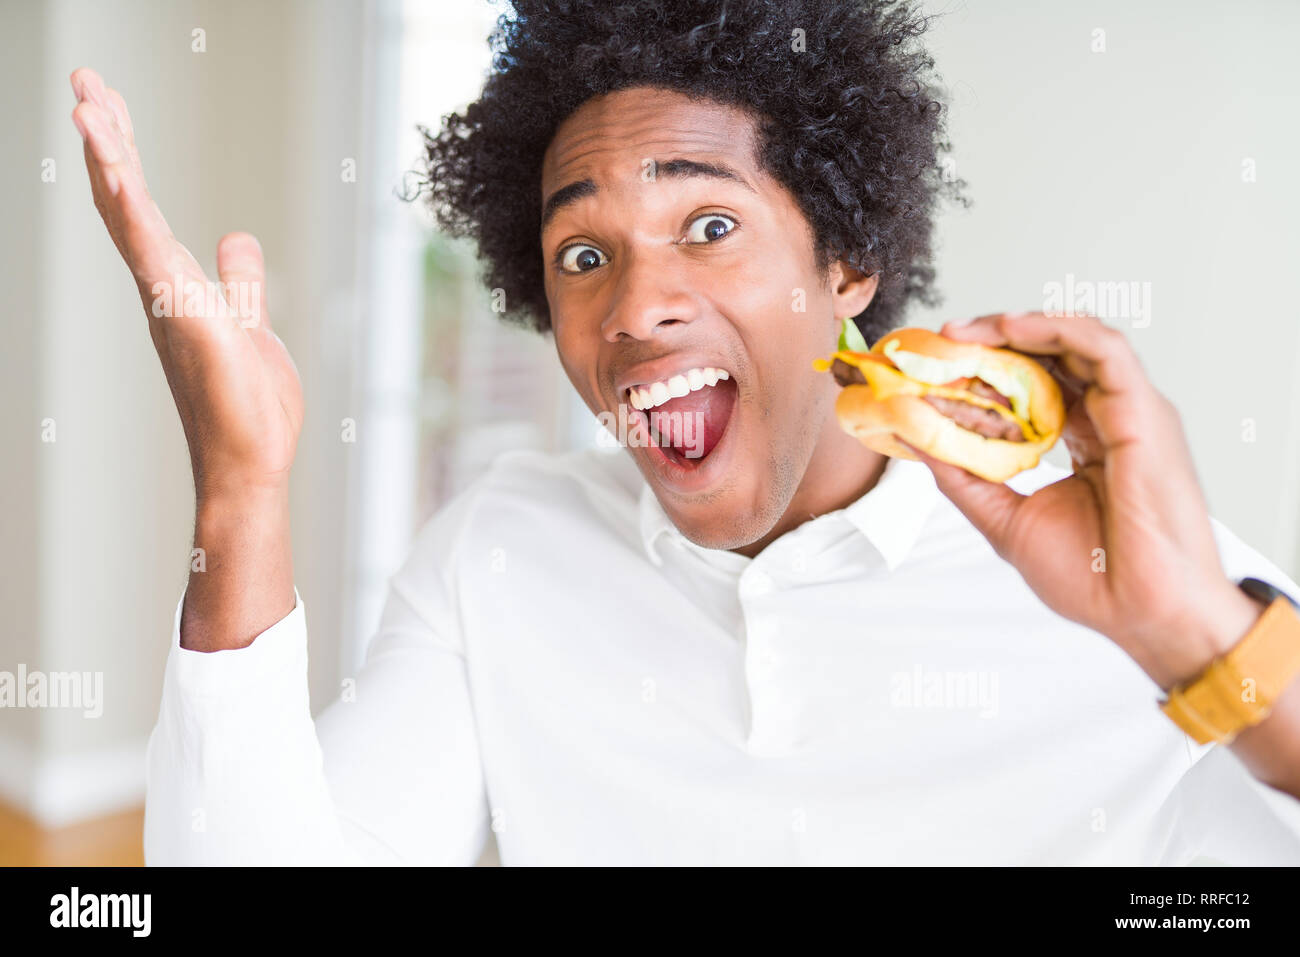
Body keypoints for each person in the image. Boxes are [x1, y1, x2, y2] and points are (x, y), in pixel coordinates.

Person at [70, 0, 1300, 866]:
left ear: (851, 261)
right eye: (584, 254)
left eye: (709, 226)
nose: (637, 307)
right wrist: (240, 488)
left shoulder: (1155, 596)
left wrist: (1189, 629)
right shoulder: (499, 547)